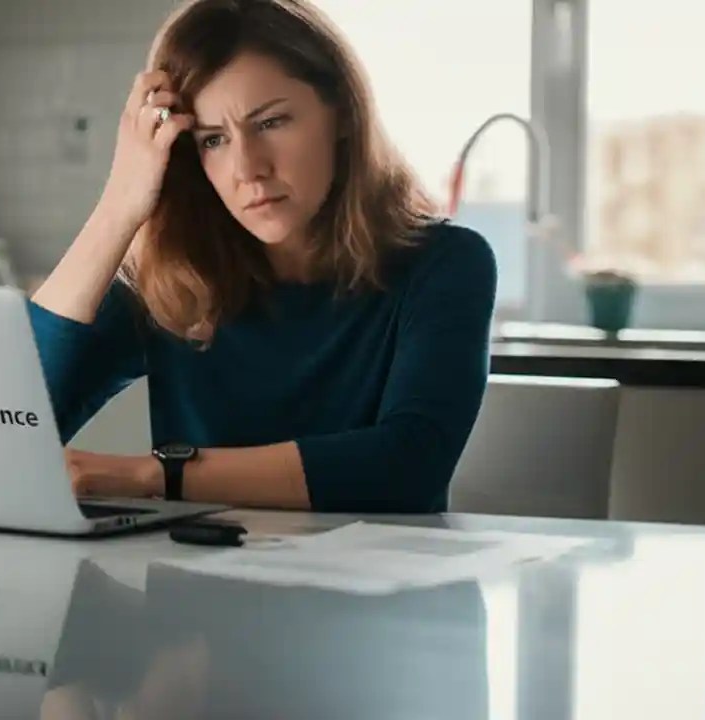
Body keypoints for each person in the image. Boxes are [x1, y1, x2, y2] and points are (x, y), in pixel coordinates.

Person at [28, 0, 497, 514]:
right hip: (203, 585)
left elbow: (409, 465)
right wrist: (119, 207)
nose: (248, 168)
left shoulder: (447, 264)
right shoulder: (177, 280)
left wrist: (153, 475)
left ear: (341, 111)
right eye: (213, 140)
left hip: (379, 588)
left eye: (271, 122)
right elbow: (6, 425)